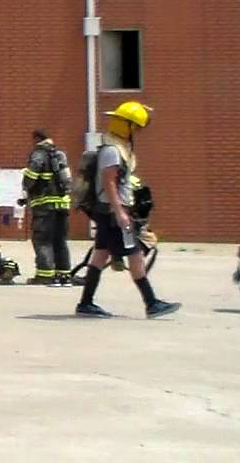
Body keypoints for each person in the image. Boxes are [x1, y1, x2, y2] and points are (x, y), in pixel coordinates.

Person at [76, 102, 179, 319]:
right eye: (137, 127)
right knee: (135, 256)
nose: (138, 132)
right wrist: (121, 213)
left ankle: (85, 303)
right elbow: (109, 182)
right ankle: (151, 303)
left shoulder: (116, 148)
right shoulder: (113, 151)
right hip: (114, 214)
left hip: (108, 212)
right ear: (127, 126)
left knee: (100, 256)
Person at [22, 129, 73, 286]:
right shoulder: (60, 154)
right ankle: (64, 274)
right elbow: (68, 181)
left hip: (44, 206)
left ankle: (45, 275)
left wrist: (26, 187)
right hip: (62, 206)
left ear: (37, 138)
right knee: (60, 240)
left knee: (43, 240)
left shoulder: (38, 154)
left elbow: (30, 179)